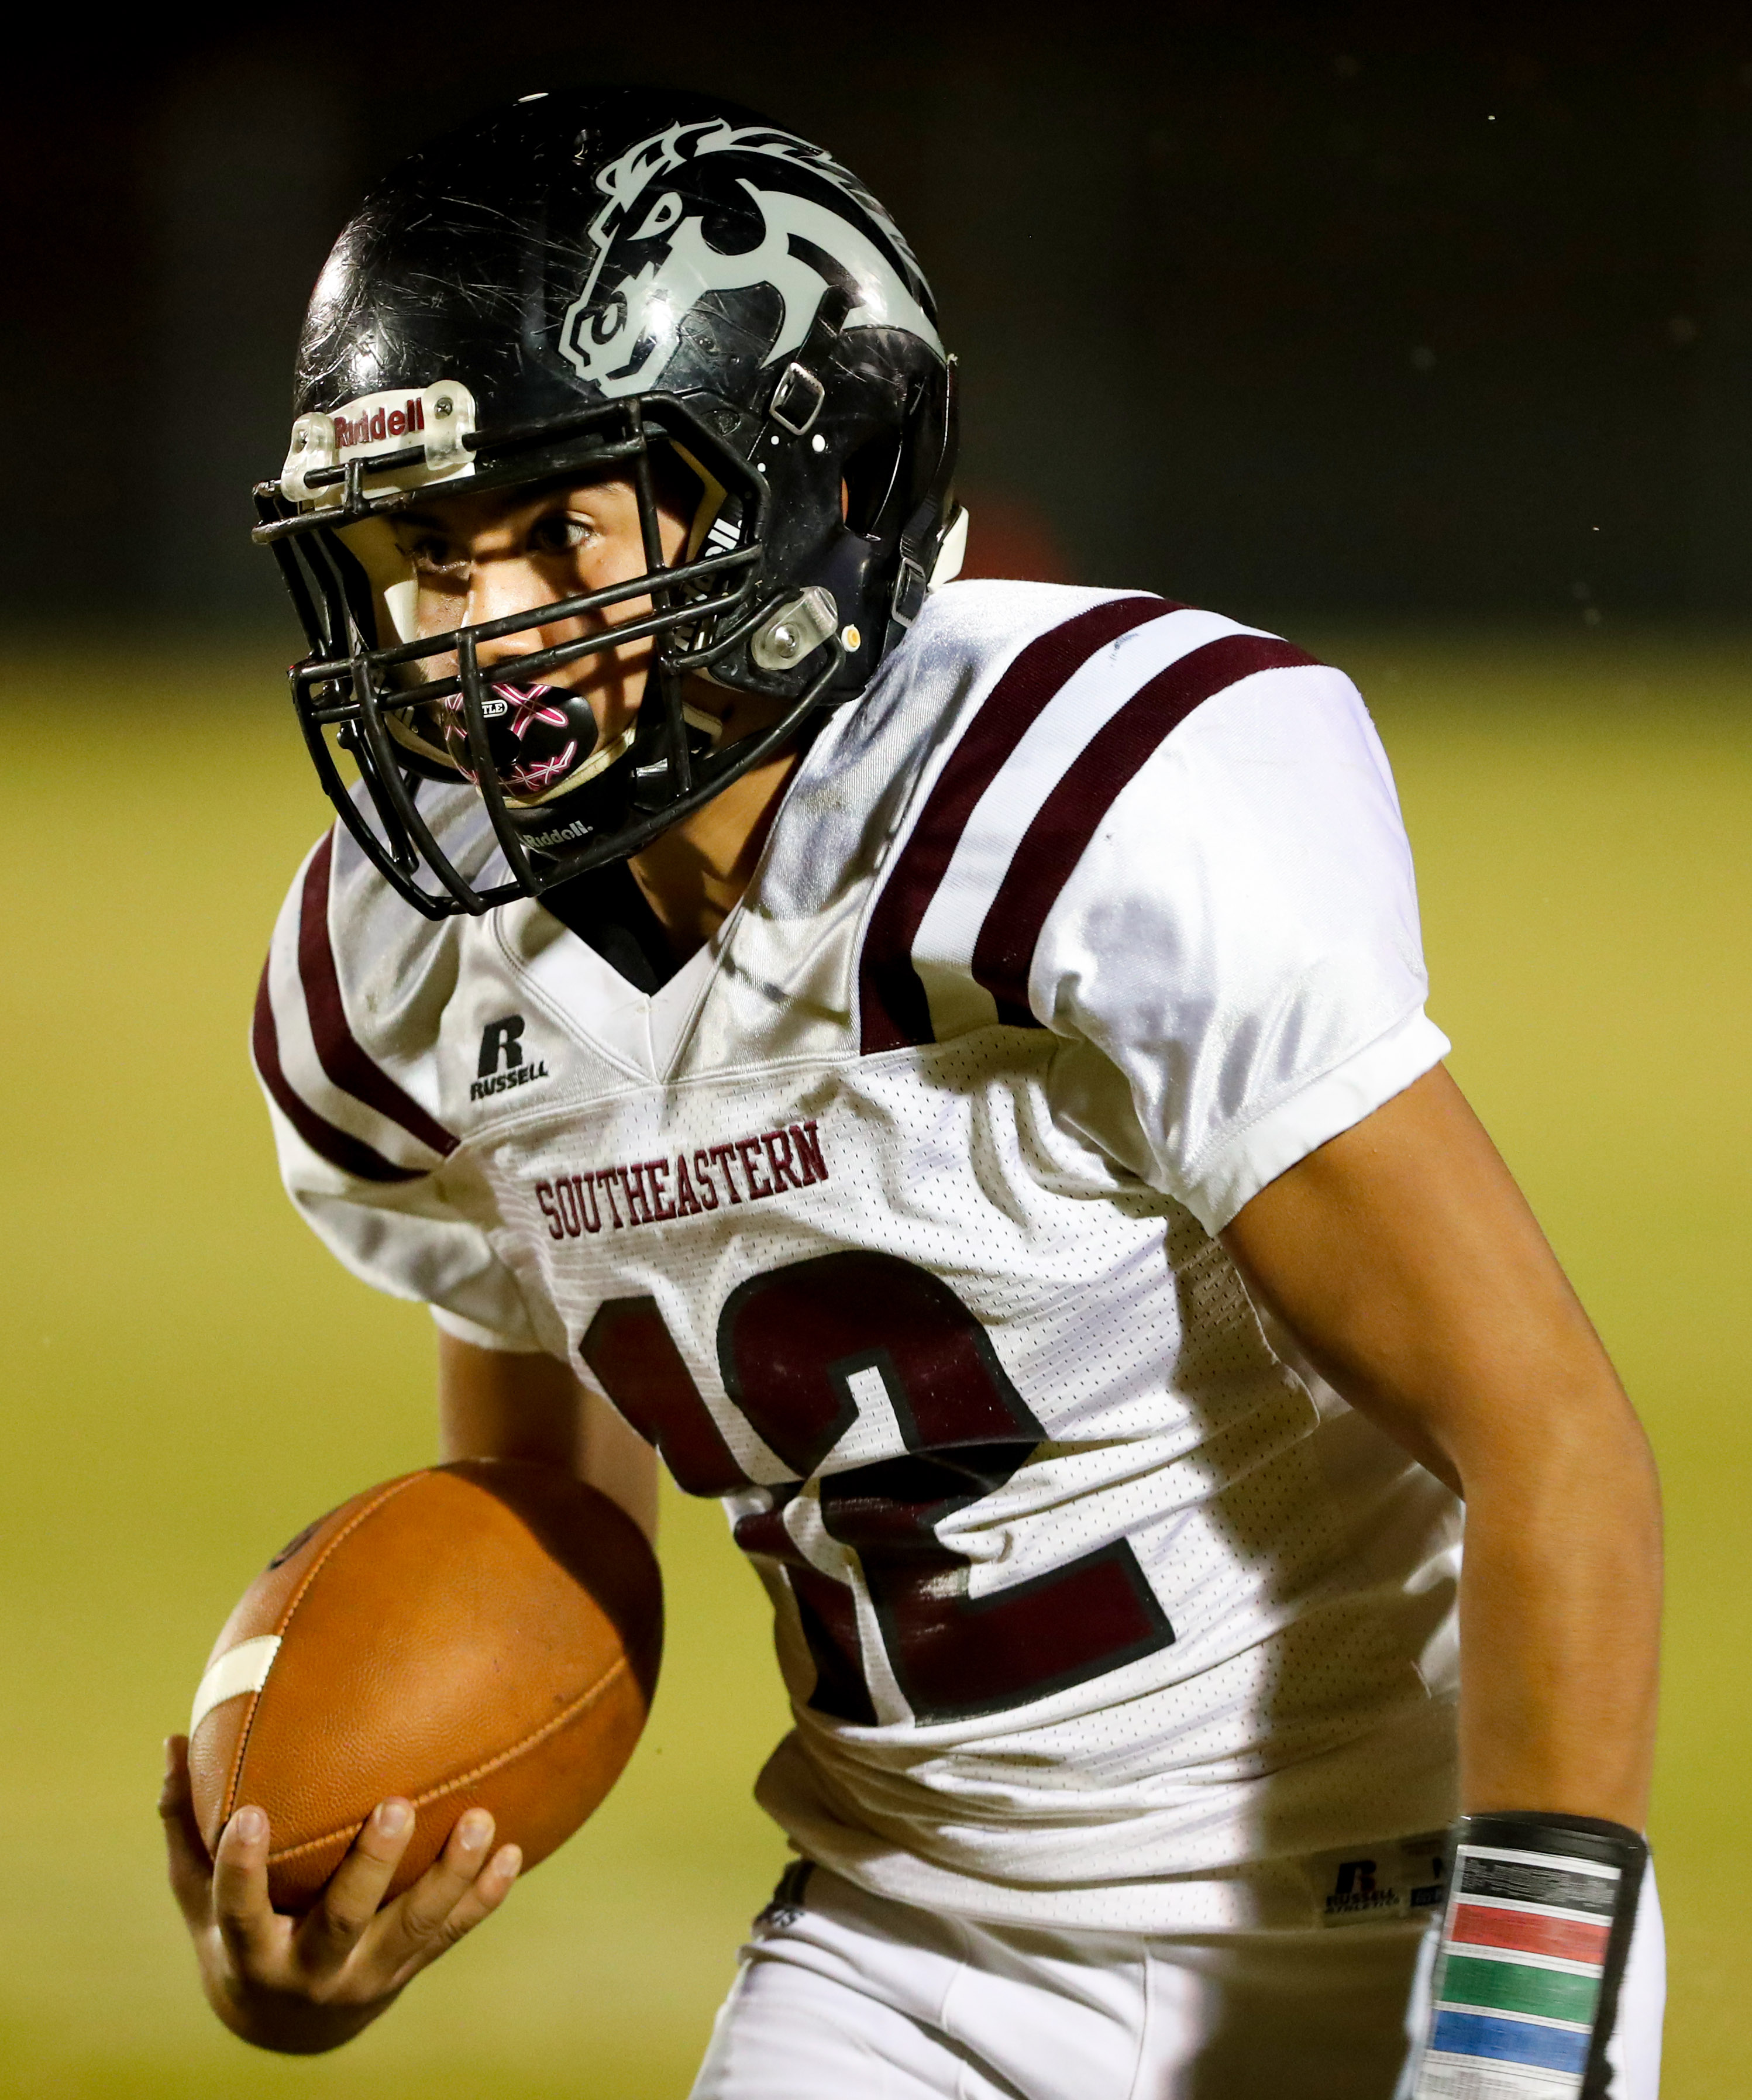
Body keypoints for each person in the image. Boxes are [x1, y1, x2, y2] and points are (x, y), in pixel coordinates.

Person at [158, 84, 1664, 2096]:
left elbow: (1542, 1433)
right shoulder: (402, 972)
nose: (475, 631)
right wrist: (352, 1874)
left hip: (1373, 1910)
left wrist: (1514, 2023)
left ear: (786, 490)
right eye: (423, 552)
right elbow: (549, 1546)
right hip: (908, 1943)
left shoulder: (1080, 811)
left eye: (552, 531)